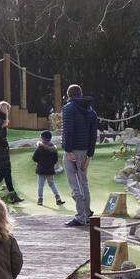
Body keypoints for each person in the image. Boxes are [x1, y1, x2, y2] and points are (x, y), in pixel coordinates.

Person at [60, 84, 98, 227]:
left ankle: (80, 217)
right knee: (84, 183)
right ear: (80, 94)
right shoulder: (91, 111)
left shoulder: (68, 109)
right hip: (85, 151)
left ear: (68, 95)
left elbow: (68, 131)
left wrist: (68, 151)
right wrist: (89, 156)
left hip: (73, 150)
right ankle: (87, 214)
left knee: (74, 184)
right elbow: (93, 135)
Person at [31, 130, 64, 206]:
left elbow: (34, 158)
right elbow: (56, 159)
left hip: (41, 169)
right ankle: (57, 197)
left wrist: (38, 162)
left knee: (40, 185)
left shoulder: (39, 148)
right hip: (50, 169)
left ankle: (40, 199)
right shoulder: (53, 149)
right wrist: (51, 164)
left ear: (42, 139)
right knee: (52, 184)